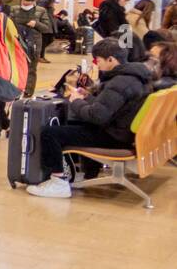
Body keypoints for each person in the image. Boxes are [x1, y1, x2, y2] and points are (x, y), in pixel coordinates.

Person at [26, 39, 153, 198]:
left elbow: (97, 116)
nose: (97, 64)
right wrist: (87, 97)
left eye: (98, 60)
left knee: (50, 133)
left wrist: (76, 101)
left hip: (114, 137)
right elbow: (111, 106)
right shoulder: (136, 76)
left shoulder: (119, 82)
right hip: (125, 132)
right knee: (74, 125)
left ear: (111, 59)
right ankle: (88, 174)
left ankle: (58, 182)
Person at [0, 0, 51, 140]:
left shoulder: (7, 19)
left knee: (5, 91)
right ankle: (6, 124)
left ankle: (0, 125)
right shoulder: (5, 14)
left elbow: (47, 28)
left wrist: (36, 24)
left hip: (22, 51)